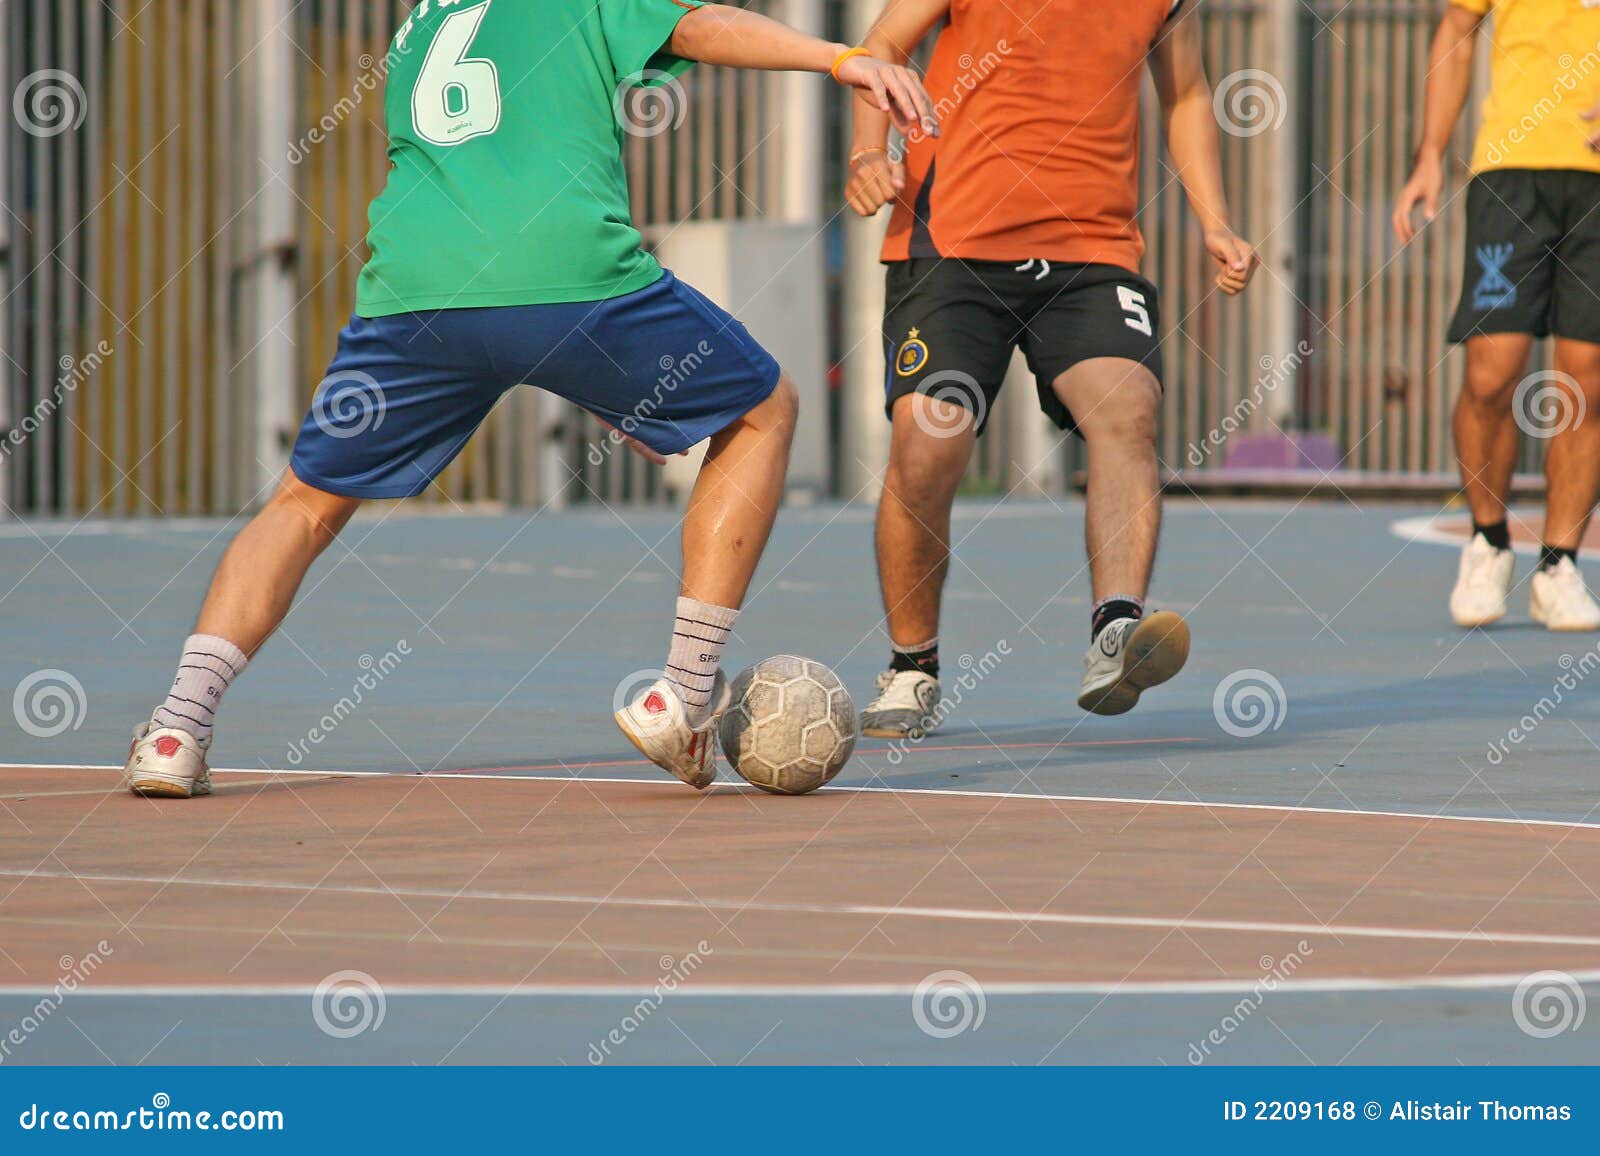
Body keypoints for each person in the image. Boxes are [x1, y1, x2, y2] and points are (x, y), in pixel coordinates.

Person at [120, 0, 936, 798]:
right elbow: (699, 25)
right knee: (764, 410)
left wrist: (609, 393)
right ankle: (684, 693)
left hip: (416, 292)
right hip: (570, 274)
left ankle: (176, 726)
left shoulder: (421, 25)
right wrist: (840, 58)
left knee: (301, 505)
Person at [843, 0, 1258, 738]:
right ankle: (913, 666)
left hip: (1091, 253)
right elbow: (880, 45)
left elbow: (1188, 92)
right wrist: (868, 153)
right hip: (953, 245)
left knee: (1128, 409)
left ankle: (1116, 632)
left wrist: (1215, 219)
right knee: (930, 438)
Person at [1394, 0, 1600, 632]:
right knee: (1490, 372)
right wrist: (1431, 151)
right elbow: (1457, 27)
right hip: (1509, 171)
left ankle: (1559, 566)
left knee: (1588, 376)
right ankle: (1488, 542)